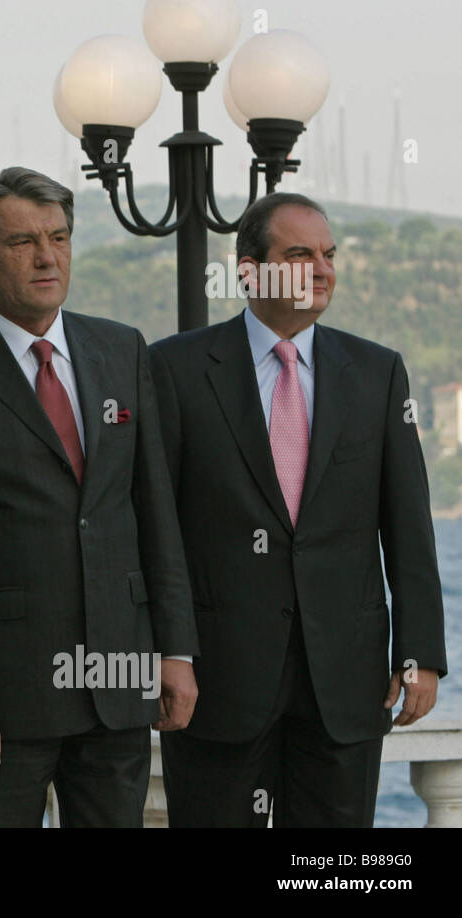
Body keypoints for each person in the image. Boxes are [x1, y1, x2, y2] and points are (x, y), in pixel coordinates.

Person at [0, 168, 198, 827]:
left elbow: (154, 514)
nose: (46, 256)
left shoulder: (123, 350)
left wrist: (175, 651)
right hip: (0, 696)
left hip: (118, 681)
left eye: (59, 237)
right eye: (23, 241)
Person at [148, 192, 448, 827]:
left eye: (329, 254)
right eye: (299, 254)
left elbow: (409, 525)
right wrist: (168, 651)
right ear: (250, 269)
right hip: (216, 682)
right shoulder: (174, 368)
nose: (321, 269)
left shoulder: (376, 372)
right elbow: (157, 527)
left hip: (345, 679)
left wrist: (419, 650)